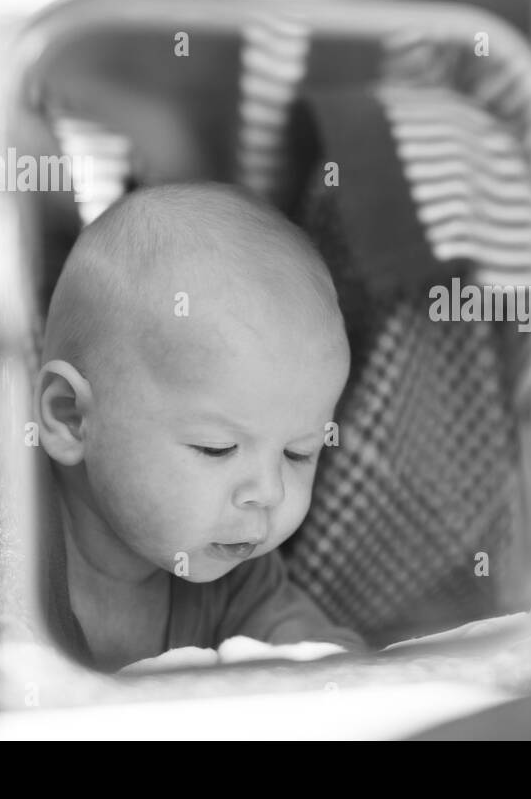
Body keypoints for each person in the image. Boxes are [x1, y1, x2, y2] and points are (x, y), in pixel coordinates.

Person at [33, 183, 364, 672]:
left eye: (299, 453)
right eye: (217, 448)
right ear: (71, 418)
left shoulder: (238, 575)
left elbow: (322, 662)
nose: (268, 493)